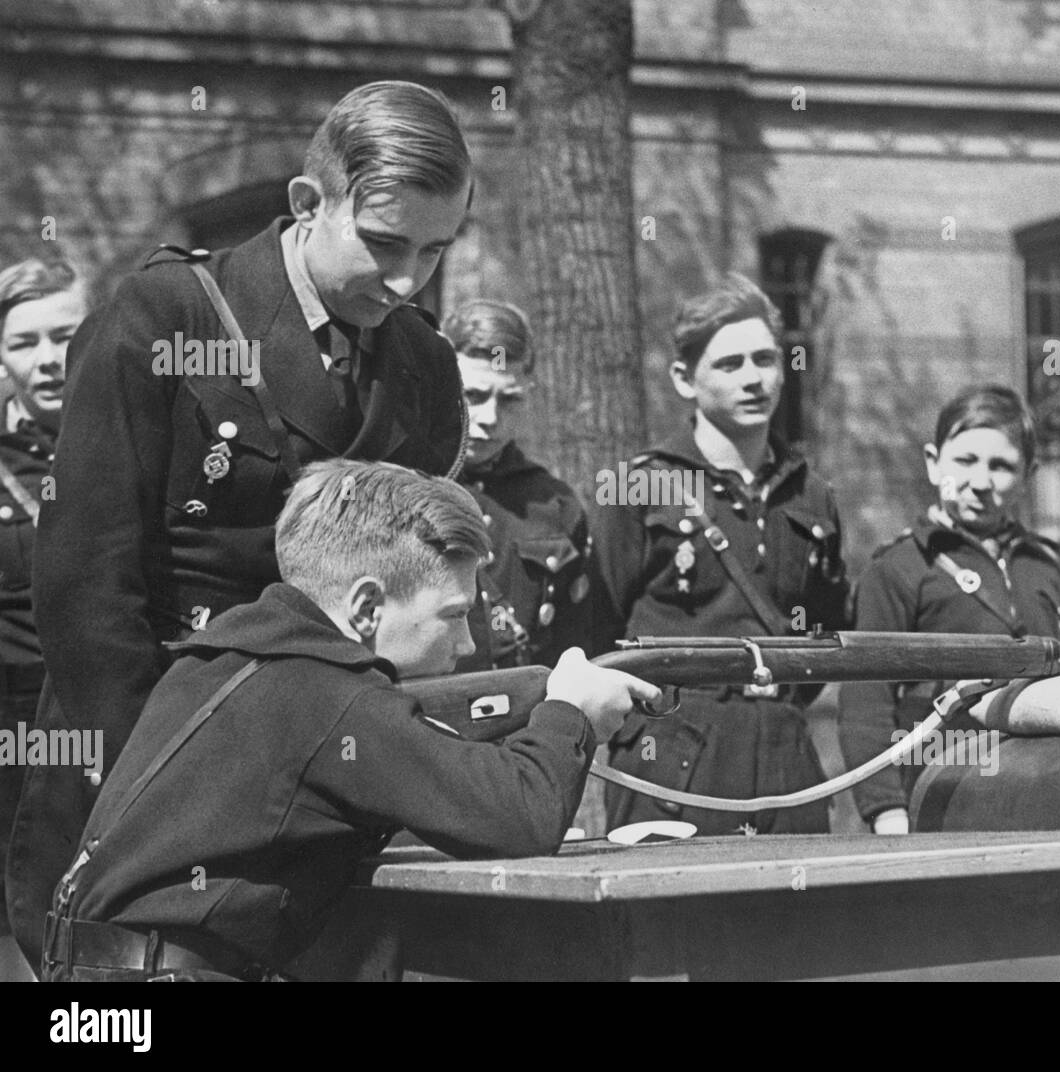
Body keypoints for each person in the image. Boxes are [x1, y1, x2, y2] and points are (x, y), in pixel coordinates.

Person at [6, 80, 474, 965]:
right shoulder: (166, 317)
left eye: (436, 250)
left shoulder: (423, 365)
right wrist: (164, 780)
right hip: (149, 779)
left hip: (327, 801)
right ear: (308, 203)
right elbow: (84, 582)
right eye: (382, 244)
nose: (409, 279)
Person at [39, 460, 657, 981]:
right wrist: (569, 711)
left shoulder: (222, 659)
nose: (468, 644)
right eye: (452, 614)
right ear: (365, 606)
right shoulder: (333, 697)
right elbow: (520, 815)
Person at [592, 273, 849, 836]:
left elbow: (829, 624)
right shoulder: (640, 486)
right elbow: (596, 624)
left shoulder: (812, 494)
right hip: (673, 751)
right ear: (685, 378)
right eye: (730, 364)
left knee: (798, 916)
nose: (754, 379)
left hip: (785, 746)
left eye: (766, 359)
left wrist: (777, 688)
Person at [839, 385, 1060, 834]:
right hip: (933, 796)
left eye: (1002, 466)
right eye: (965, 461)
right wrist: (886, 809)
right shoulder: (901, 568)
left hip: (1040, 796)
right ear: (934, 464)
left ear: (1028, 475)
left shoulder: (1044, 568)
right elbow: (865, 704)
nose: (981, 481)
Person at [0, 258, 86, 981]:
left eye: (65, 333)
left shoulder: (136, 440)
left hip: (120, 718)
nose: (48, 359)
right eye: (24, 343)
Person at [444, 299, 592, 669]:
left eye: (509, 400)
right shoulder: (404, 486)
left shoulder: (554, 504)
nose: (489, 418)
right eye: (474, 396)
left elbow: (581, 640)